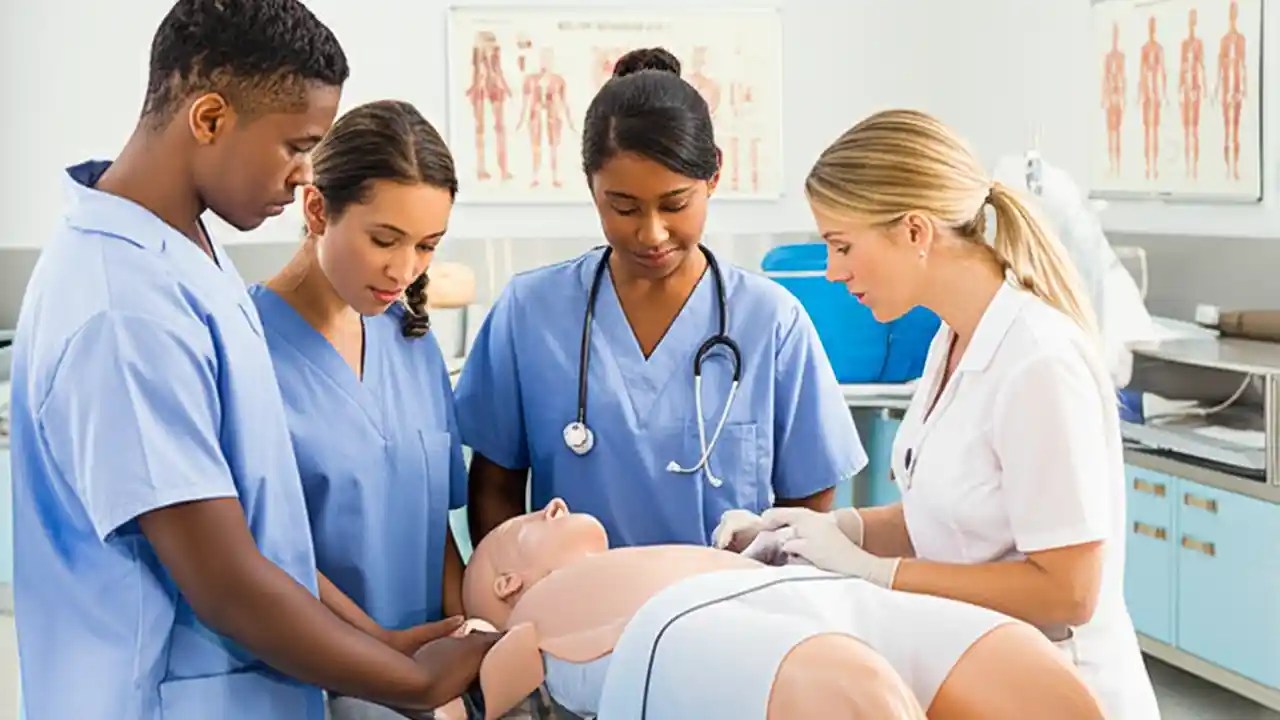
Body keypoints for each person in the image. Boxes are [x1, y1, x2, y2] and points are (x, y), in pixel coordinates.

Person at [6, 3, 497, 718]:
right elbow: (227, 581)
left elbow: (272, 532)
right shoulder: (124, 311)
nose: (305, 178)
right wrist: (415, 683)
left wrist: (389, 648)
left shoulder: (185, 257)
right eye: (296, 146)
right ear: (208, 119)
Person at [715, 108, 1160, 719]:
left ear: (917, 232)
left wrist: (877, 573)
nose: (832, 272)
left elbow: (1069, 590)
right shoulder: (951, 343)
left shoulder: (1038, 361)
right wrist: (814, 533)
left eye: (842, 246)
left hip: (1065, 691)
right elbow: (956, 511)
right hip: (982, 679)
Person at [455, 47, 865, 550]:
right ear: (592, 187)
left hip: (731, 613)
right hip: (574, 615)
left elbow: (809, 497)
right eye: (623, 207)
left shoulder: (771, 321)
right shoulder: (530, 313)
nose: (651, 234)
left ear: (713, 175)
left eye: (675, 204)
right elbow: (495, 484)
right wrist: (517, 594)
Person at [454, 498, 1104, 719]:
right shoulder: (529, 616)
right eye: (527, 525)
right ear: (508, 582)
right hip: (677, 626)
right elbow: (483, 676)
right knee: (846, 685)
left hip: (801, 592)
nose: (555, 506)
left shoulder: (639, 555)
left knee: (1009, 659)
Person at [249, 99, 470, 719]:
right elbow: (262, 549)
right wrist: (386, 655)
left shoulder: (412, 340)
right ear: (316, 210)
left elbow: (438, 532)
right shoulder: (245, 350)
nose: (404, 270)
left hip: (429, 683)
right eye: (384, 240)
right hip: (319, 682)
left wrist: (464, 640)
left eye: (427, 246)